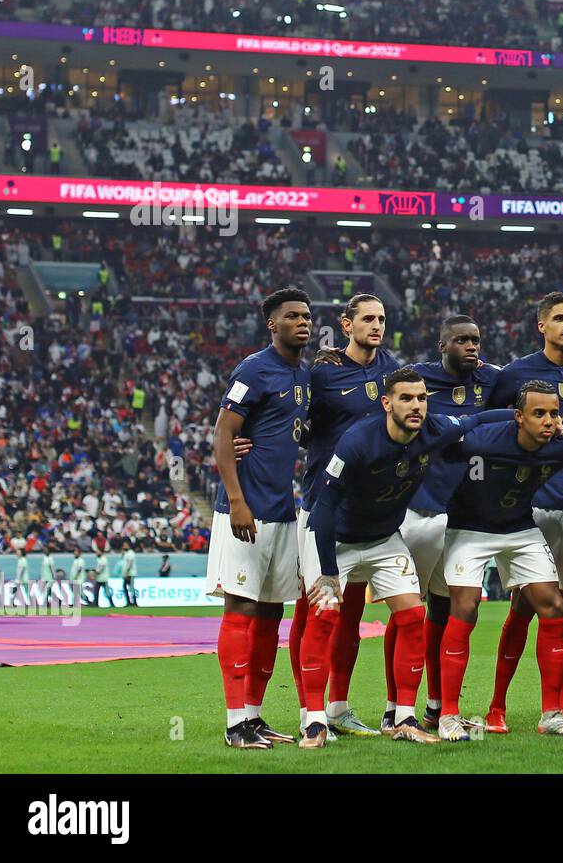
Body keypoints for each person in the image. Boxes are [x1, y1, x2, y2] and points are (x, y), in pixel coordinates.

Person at [301, 365, 511, 748]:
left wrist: (519, 415)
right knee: (325, 613)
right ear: (386, 403)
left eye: (421, 398)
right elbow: (324, 508)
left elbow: (478, 418)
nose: (416, 405)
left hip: (384, 538)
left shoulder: (434, 429)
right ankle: (315, 722)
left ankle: (404, 717)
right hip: (338, 539)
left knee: (414, 615)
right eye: (406, 398)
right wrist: (329, 574)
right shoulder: (357, 442)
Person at [435, 380, 563, 742]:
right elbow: (447, 446)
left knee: (554, 606)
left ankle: (551, 713)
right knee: (466, 606)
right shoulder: (483, 442)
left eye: (554, 413)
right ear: (519, 417)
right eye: (539, 414)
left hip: (520, 527)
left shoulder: (559, 447)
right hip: (469, 528)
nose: (549, 420)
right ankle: (448, 714)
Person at [485, 293, 563, 734]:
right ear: (541, 326)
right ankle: (497, 706)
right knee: (523, 605)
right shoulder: (516, 373)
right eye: (559, 318)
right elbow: (489, 418)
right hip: (530, 507)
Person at [290, 293, 402, 738]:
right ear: (345, 323)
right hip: (322, 504)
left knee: (351, 615)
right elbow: (295, 424)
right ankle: (308, 713)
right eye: (367, 319)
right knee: (314, 610)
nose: (376, 326)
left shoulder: (390, 367)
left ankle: (338, 706)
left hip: (368, 512)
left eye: (381, 319)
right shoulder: (321, 373)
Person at [207, 288, 313, 750]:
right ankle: (233, 725)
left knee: (272, 611)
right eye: (292, 316)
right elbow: (222, 434)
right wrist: (236, 500)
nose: (303, 322)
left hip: (282, 511)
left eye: (307, 316)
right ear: (273, 325)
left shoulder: (305, 374)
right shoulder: (254, 369)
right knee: (242, 607)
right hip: (245, 509)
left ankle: (253, 716)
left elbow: (296, 430)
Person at [407, 315, 502, 734]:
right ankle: (398, 708)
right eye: (461, 339)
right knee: (408, 609)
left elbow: (537, 381)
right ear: (441, 345)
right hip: (420, 508)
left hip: (469, 514)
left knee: (447, 609)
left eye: (476, 339)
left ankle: (437, 705)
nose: (471, 346)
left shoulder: (493, 379)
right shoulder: (416, 380)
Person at [120, 541, 138, 606]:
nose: (124, 546)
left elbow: (130, 563)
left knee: (130, 588)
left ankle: (132, 602)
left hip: (130, 574)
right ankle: (131, 602)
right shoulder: (126, 553)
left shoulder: (131, 553)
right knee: (129, 587)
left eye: (125, 545)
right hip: (128, 573)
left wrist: (127, 572)